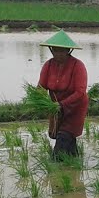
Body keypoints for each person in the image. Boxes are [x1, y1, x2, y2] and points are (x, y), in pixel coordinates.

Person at [38, 30, 89, 160]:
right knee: (65, 138)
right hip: (57, 109)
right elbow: (41, 87)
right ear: (51, 50)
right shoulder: (48, 65)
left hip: (75, 107)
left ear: (68, 51)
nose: (58, 54)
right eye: (55, 50)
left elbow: (80, 92)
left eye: (62, 51)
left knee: (64, 136)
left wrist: (61, 104)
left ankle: (55, 164)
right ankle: (74, 161)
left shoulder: (78, 66)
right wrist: (37, 100)